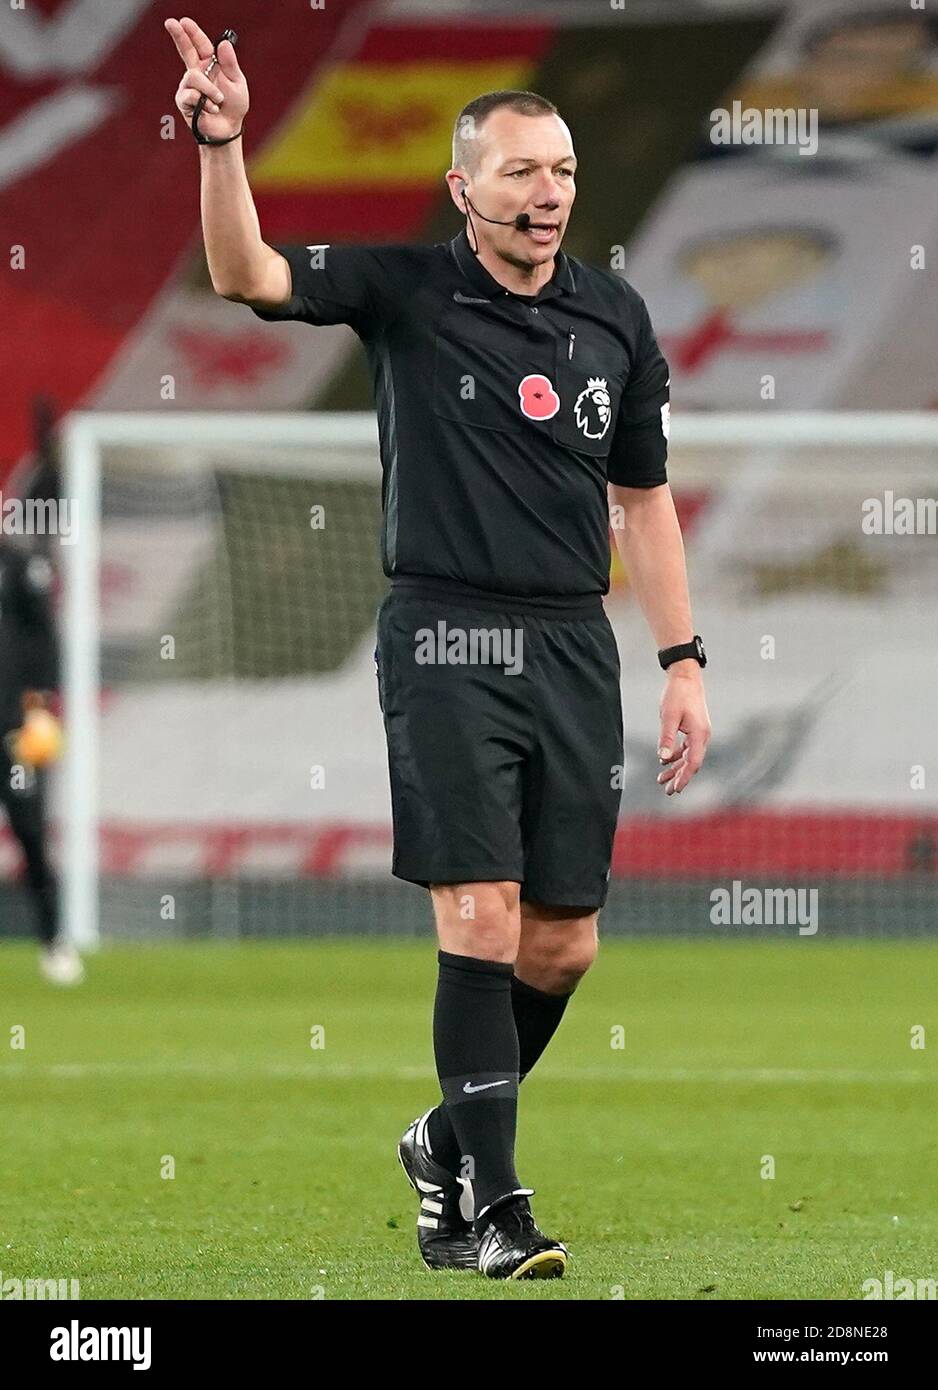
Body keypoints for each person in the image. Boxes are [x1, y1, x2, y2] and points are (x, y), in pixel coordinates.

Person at [166, 15, 711, 1280]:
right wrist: (224, 140)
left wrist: (684, 657)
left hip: (576, 645)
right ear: (463, 187)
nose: (547, 192)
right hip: (444, 635)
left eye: (563, 169)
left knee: (563, 940)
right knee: (476, 914)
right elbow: (245, 271)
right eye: (519, 170)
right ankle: (498, 1202)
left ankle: (440, 1140)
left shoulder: (614, 319)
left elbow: (642, 501)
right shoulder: (405, 289)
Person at [0, 539, 78, 984]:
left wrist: (39, 709)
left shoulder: (20, 568)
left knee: (31, 834)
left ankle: (54, 942)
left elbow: (44, 641)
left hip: (14, 735)